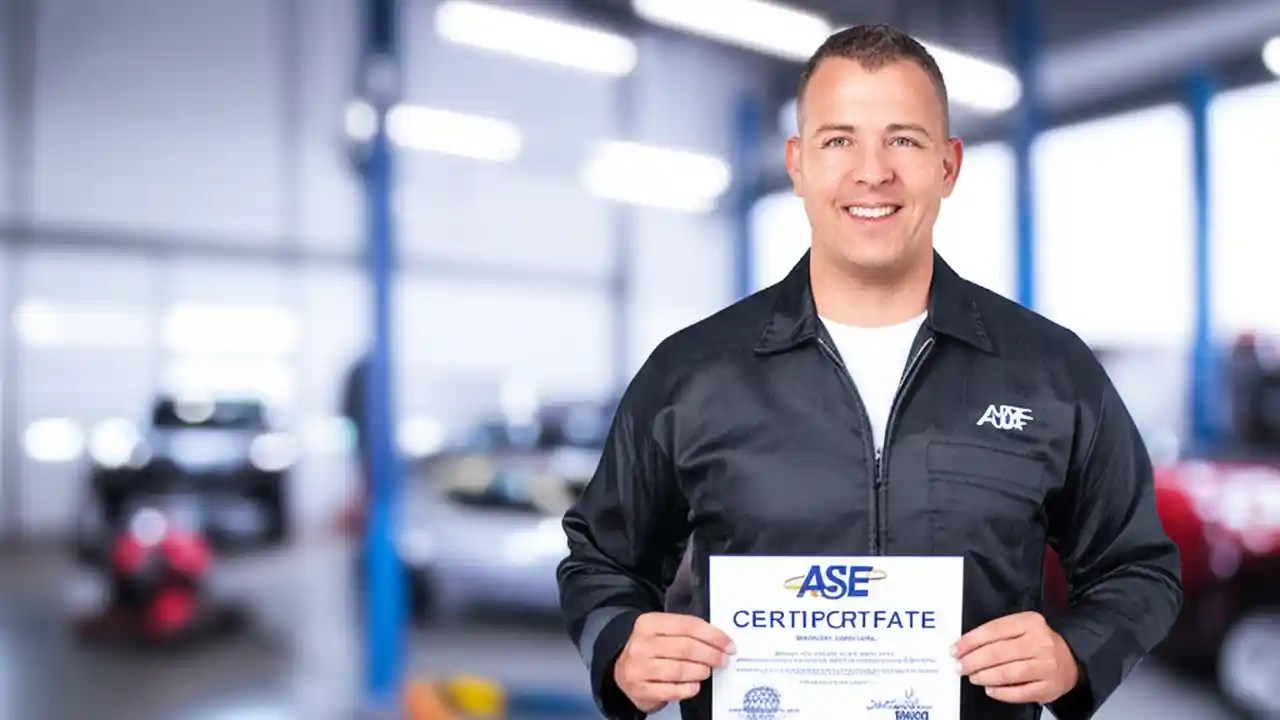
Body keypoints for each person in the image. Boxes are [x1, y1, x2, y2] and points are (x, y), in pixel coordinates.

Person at [556, 23, 1182, 720]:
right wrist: (619, 645)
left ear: (949, 166)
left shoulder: (1049, 372)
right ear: (797, 164)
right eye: (838, 140)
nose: (872, 171)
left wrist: (1075, 653)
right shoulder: (692, 373)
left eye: (904, 140)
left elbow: (1139, 566)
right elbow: (600, 560)